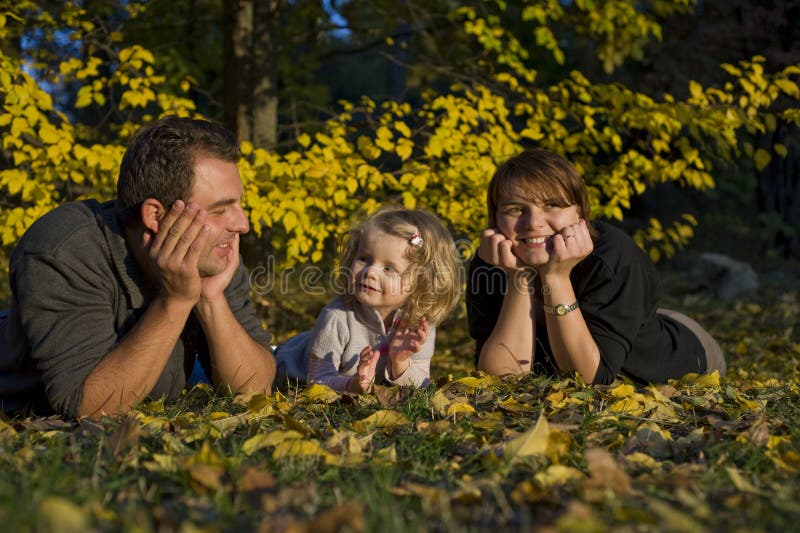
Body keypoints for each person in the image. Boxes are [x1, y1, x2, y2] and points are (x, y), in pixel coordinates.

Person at [0, 116, 275, 418]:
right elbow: (91, 408)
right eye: (220, 209)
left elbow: (256, 388)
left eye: (238, 205)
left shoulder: (211, 251)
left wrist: (211, 300)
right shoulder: (64, 248)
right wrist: (175, 301)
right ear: (156, 216)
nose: (242, 224)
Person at [467, 148, 726, 385]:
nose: (533, 223)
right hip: (616, 317)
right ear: (495, 219)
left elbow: (587, 379)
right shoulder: (490, 262)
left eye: (552, 205)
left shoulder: (615, 255)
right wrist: (518, 278)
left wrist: (555, 278)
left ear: (579, 213)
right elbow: (500, 379)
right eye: (515, 209)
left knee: (637, 322)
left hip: (681, 351)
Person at [275, 207, 461, 393]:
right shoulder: (337, 317)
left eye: (389, 268)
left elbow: (420, 386)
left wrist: (400, 363)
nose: (370, 272)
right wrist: (352, 386)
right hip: (285, 362)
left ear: (422, 282)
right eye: (364, 259)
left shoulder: (418, 323)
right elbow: (317, 380)